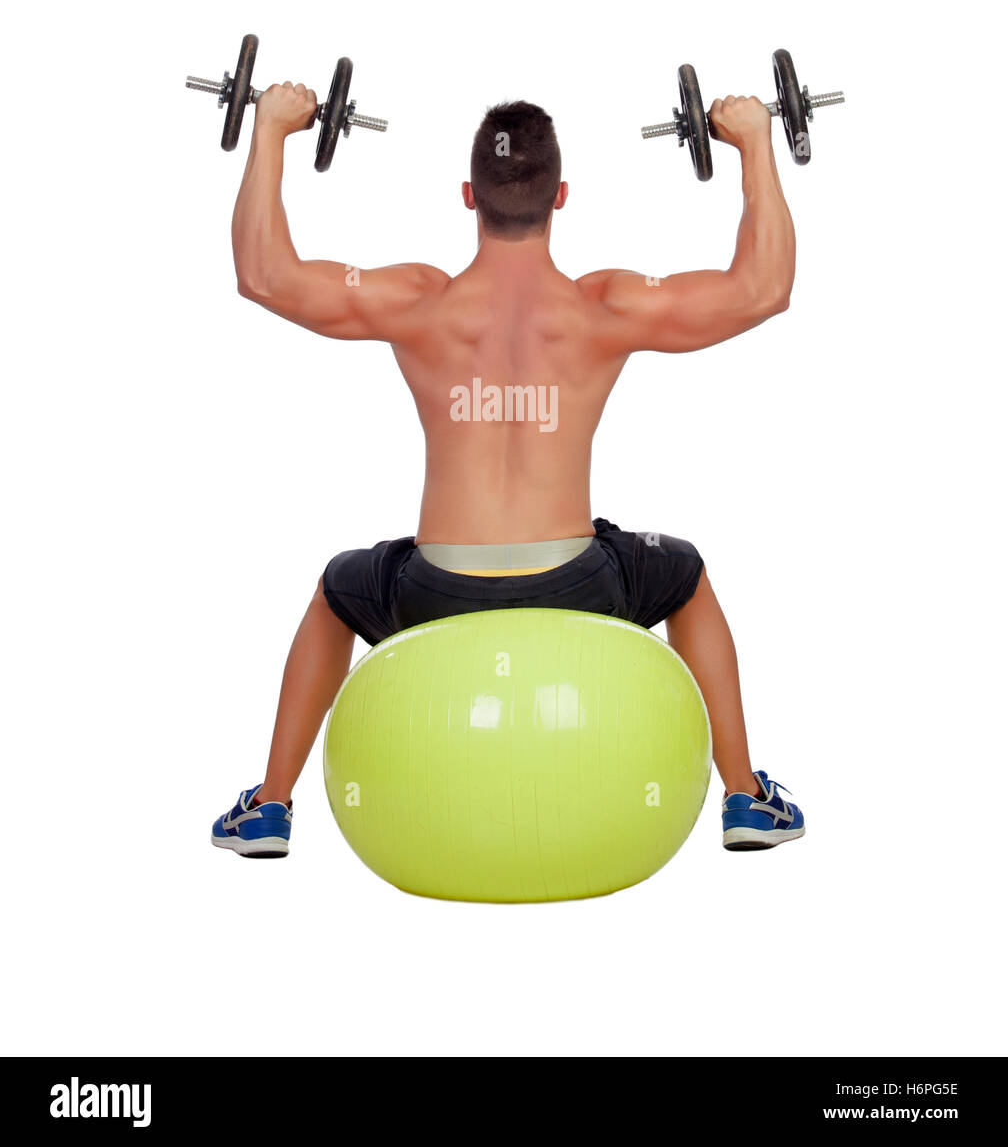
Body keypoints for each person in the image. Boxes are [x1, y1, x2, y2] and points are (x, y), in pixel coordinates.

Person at [211, 79, 806, 860]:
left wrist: (271, 129)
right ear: (561, 195)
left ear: (469, 195)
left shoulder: (417, 301)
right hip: (574, 577)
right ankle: (745, 798)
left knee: (338, 588)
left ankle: (270, 808)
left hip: (435, 586)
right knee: (682, 571)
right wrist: (756, 144)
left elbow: (265, 273)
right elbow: (764, 288)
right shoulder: (606, 306)